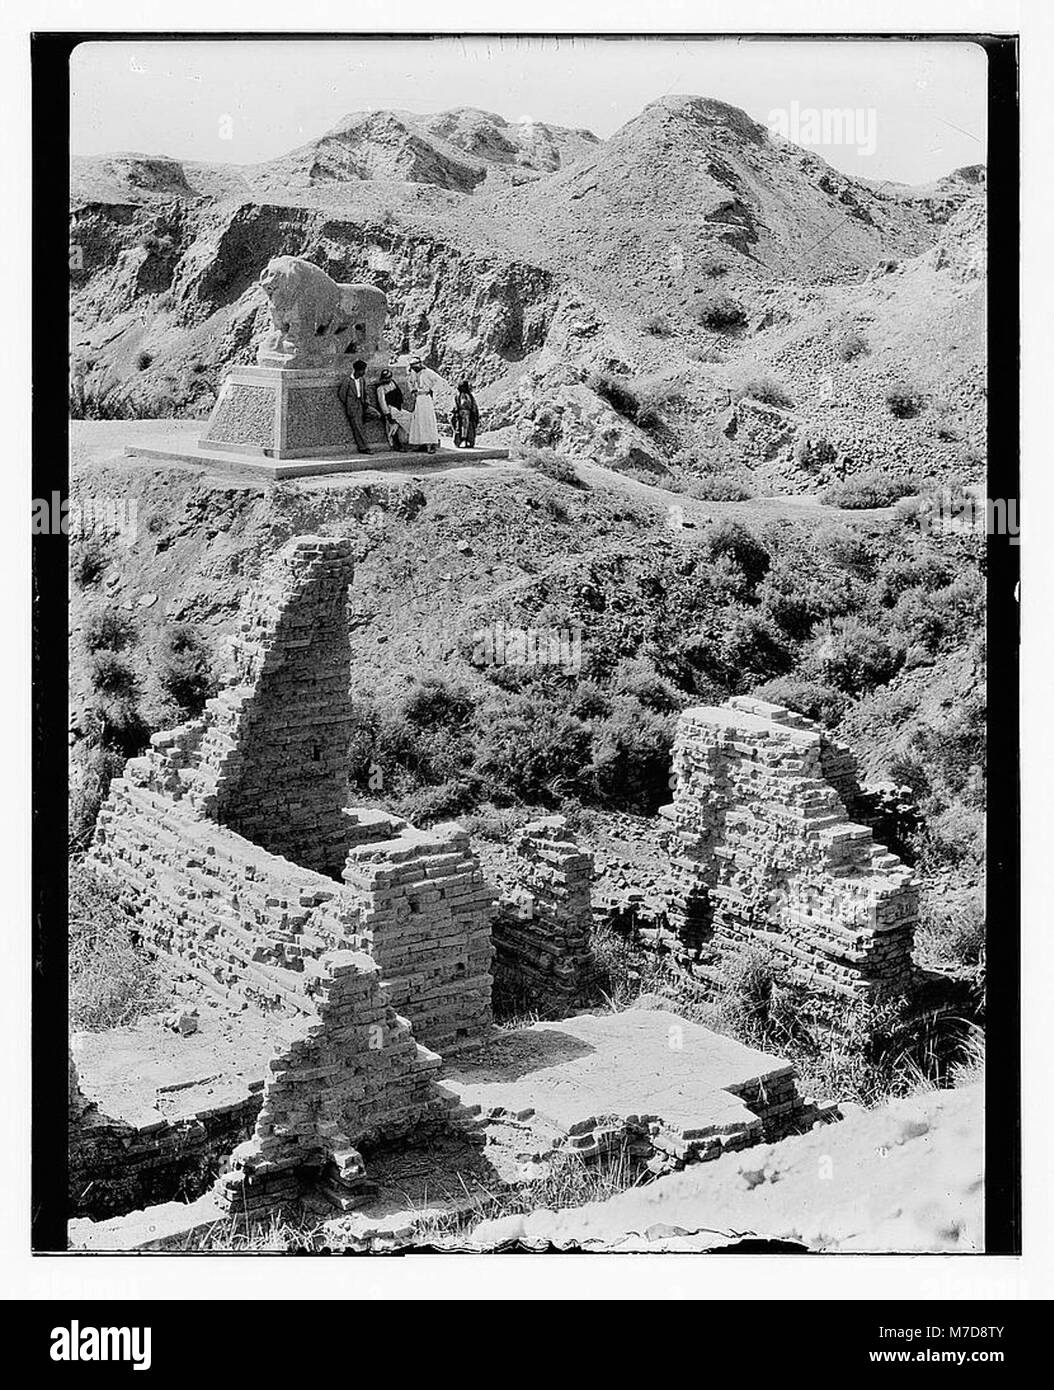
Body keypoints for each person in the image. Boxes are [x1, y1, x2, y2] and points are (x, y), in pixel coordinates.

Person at [407, 356, 449, 454]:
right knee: (418, 421)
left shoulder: (428, 372)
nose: (414, 368)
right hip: (418, 399)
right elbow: (410, 382)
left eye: (416, 366)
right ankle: (420, 443)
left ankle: (430, 445)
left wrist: (431, 390)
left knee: (427, 420)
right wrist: (413, 390)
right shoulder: (413, 374)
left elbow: (439, 381)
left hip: (426, 399)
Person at [337, 360, 374, 454]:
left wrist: (366, 401)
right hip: (353, 406)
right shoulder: (348, 381)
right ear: (357, 370)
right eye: (362, 370)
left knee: (376, 414)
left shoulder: (362, 380)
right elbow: (342, 394)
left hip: (362, 403)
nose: (364, 372)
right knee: (358, 428)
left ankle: (363, 419)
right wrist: (349, 403)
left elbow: (365, 392)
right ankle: (363, 447)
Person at [376, 368, 413, 451]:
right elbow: (382, 402)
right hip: (390, 409)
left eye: (389, 378)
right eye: (386, 378)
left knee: (410, 418)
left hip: (397, 408)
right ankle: (397, 445)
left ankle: (411, 442)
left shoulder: (393, 383)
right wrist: (387, 414)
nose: (388, 380)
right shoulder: (380, 388)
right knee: (393, 426)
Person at [451, 381, 480, 448]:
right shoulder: (457, 396)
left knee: (470, 428)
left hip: (469, 415)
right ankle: (458, 442)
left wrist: (473, 412)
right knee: (459, 428)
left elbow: (473, 405)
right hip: (460, 415)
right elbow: (455, 405)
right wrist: (456, 411)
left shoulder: (470, 396)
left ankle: (469, 442)